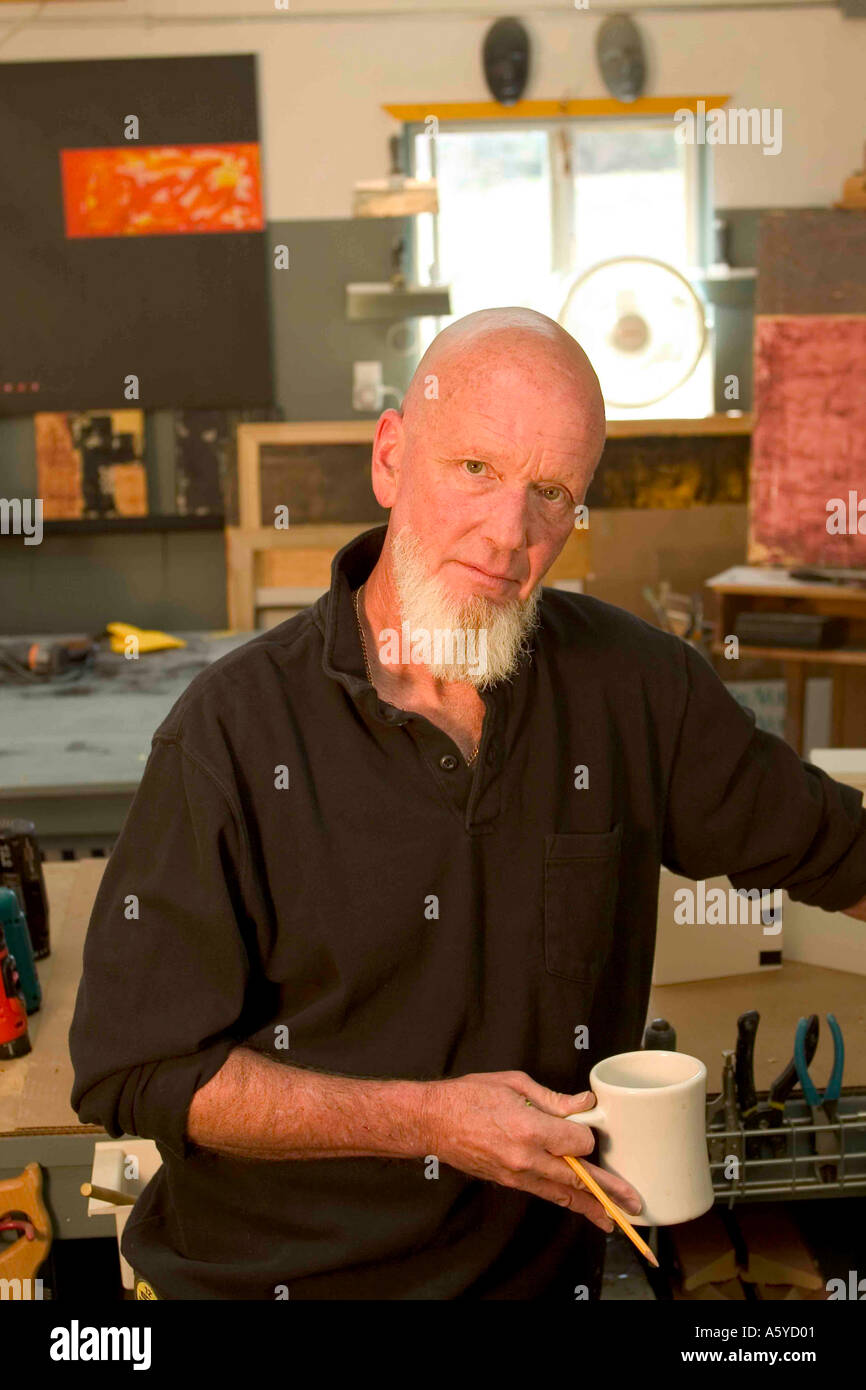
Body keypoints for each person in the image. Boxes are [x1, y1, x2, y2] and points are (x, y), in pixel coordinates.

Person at [69, 307, 866, 1300]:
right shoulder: (229, 734)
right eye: (476, 470)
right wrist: (427, 1120)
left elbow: (843, 852)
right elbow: (132, 1070)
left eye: (550, 494)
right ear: (391, 457)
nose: (507, 535)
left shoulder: (633, 689)